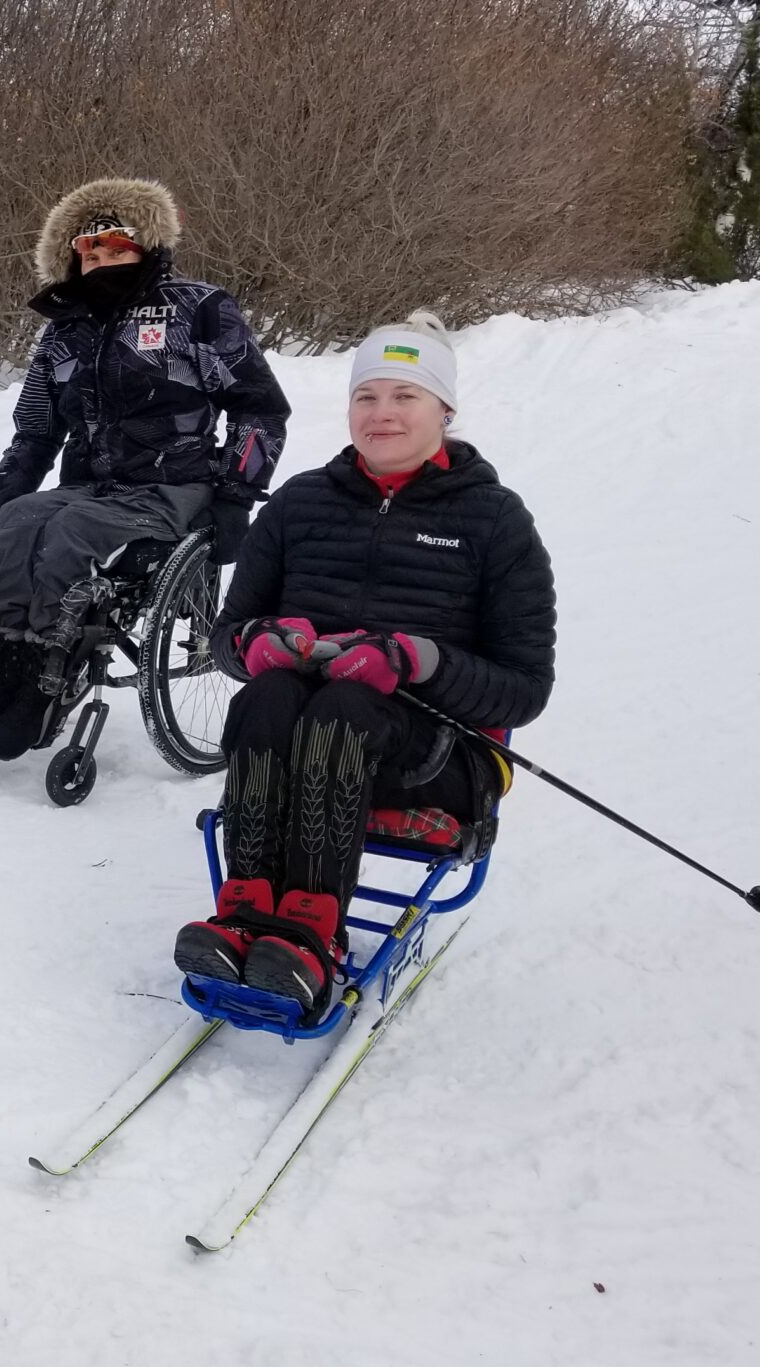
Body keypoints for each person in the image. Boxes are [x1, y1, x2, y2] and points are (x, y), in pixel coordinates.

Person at [172, 312, 556, 1020]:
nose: (382, 414)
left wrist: (420, 660)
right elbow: (229, 635)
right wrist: (256, 644)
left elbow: (524, 689)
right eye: (366, 396)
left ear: (443, 408)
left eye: (405, 396)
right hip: (299, 727)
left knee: (341, 712)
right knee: (267, 697)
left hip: (436, 750)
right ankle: (244, 912)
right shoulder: (298, 504)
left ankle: (314, 936)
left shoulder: (495, 520)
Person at [0, 178, 291, 761]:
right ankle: (8, 669)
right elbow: (38, 420)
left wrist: (237, 496)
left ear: (147, 247)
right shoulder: (66, 327)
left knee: (70, 533)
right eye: (90, 253)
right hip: (91, 483)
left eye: (116, 250)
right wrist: (14, 482)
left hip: (175, 483)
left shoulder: (198, 309)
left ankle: (47, 685)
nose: (102, 262)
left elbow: (258, 407)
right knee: (19, 523)